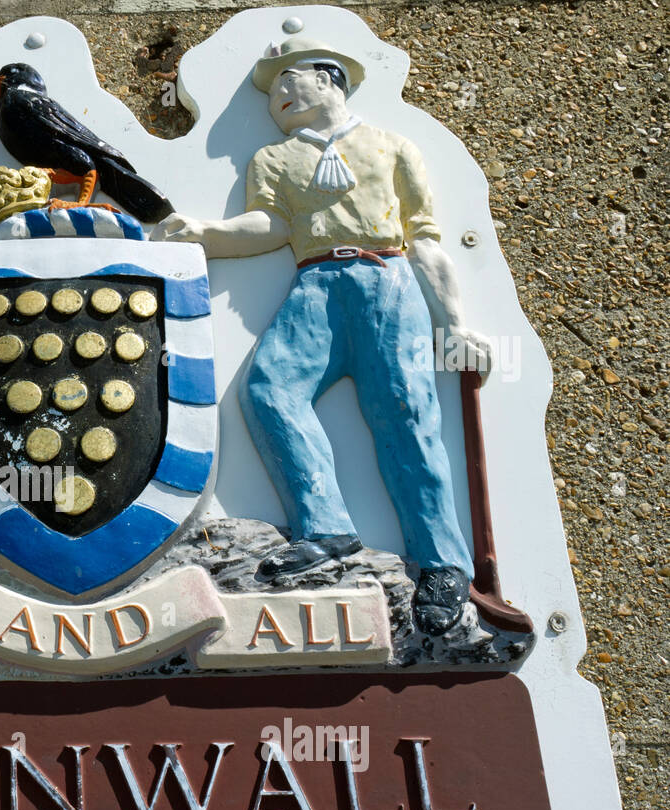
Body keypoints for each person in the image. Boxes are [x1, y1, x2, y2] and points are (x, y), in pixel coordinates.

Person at [154, 38, 492, 635]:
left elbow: (426, 239)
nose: (279, 94)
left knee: (404, 413)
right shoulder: (274, 159)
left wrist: (455, 324)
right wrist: (206, 232)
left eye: (291, 79)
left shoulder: (390, 146)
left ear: (331, 80)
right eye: (271, 87)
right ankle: (325, 526)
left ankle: (442, 564)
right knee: (268, 390)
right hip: (316, 284)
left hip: (386, 278)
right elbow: (270, 225)